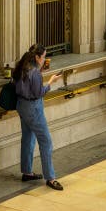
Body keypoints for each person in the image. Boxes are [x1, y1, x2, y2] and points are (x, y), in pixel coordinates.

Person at [14, 44, 64, 191]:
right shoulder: (35, 73)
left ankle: (27, 172)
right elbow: (38, 93)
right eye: (43, 57)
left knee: (28, 138)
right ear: (37, 57)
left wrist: (40, 72)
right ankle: (50, 178)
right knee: (46, 141)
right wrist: (50, 82)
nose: (44, 59)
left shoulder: (22, 67)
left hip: (21, 106)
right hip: (33, 109)